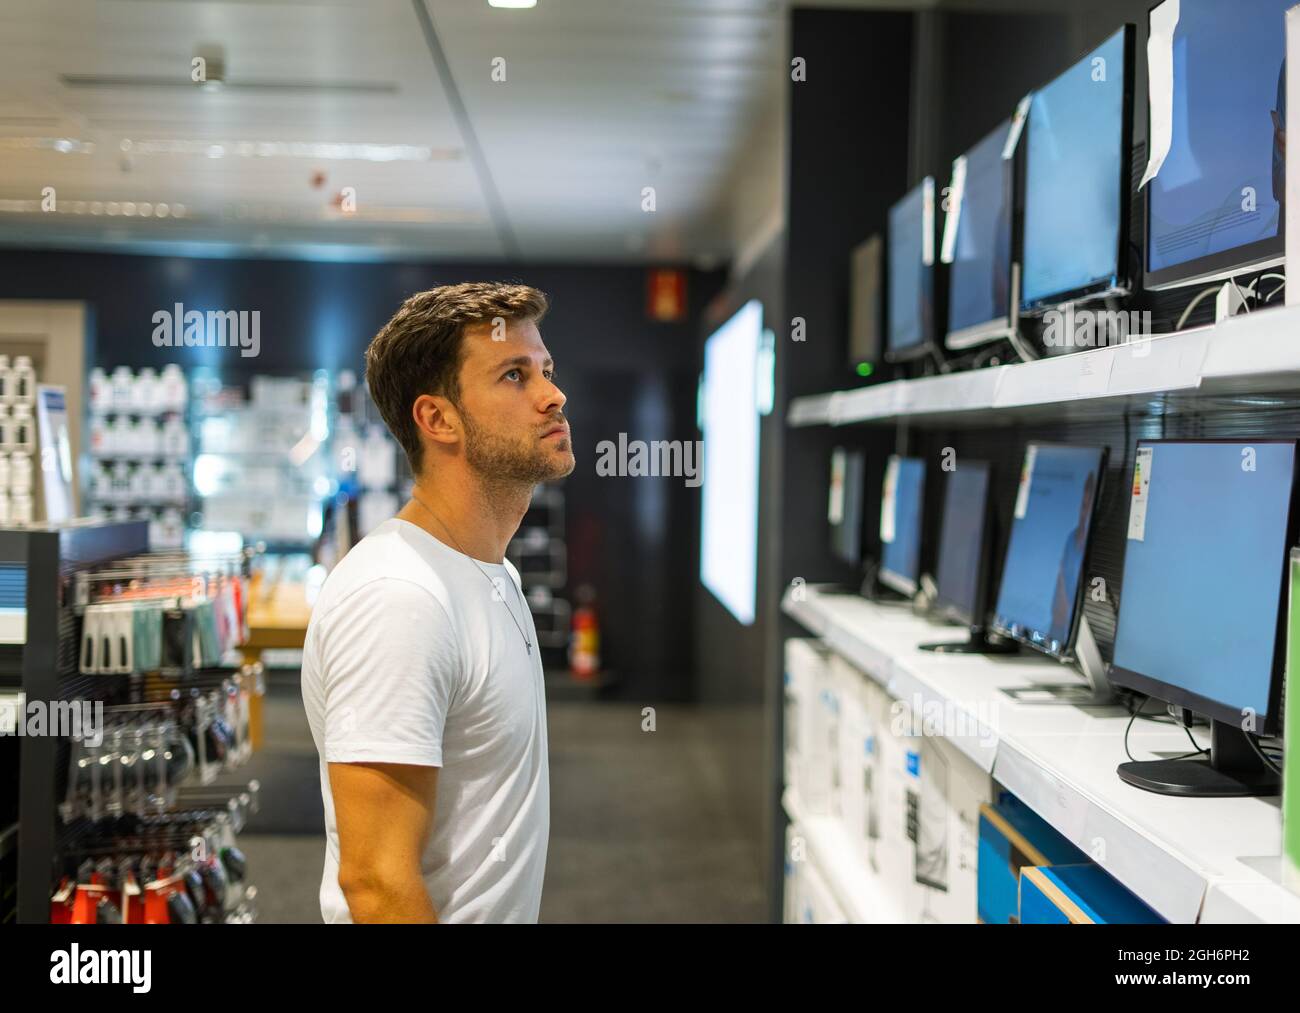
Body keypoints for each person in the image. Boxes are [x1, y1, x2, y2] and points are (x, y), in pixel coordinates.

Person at [301, 282, 575, 922]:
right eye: (514, 375)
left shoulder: (491, 570)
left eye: (546, 371)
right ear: (437, 419)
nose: (553, 395)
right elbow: (374, 882)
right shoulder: (400, 598)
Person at [1048, 471, 1096, 649]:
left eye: (1088, 507)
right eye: (1082, 506)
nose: (1083, 514)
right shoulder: (1071, 540)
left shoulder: (1088, 551)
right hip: (1058, 633)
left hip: (1067, 635)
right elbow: (1057, 611)